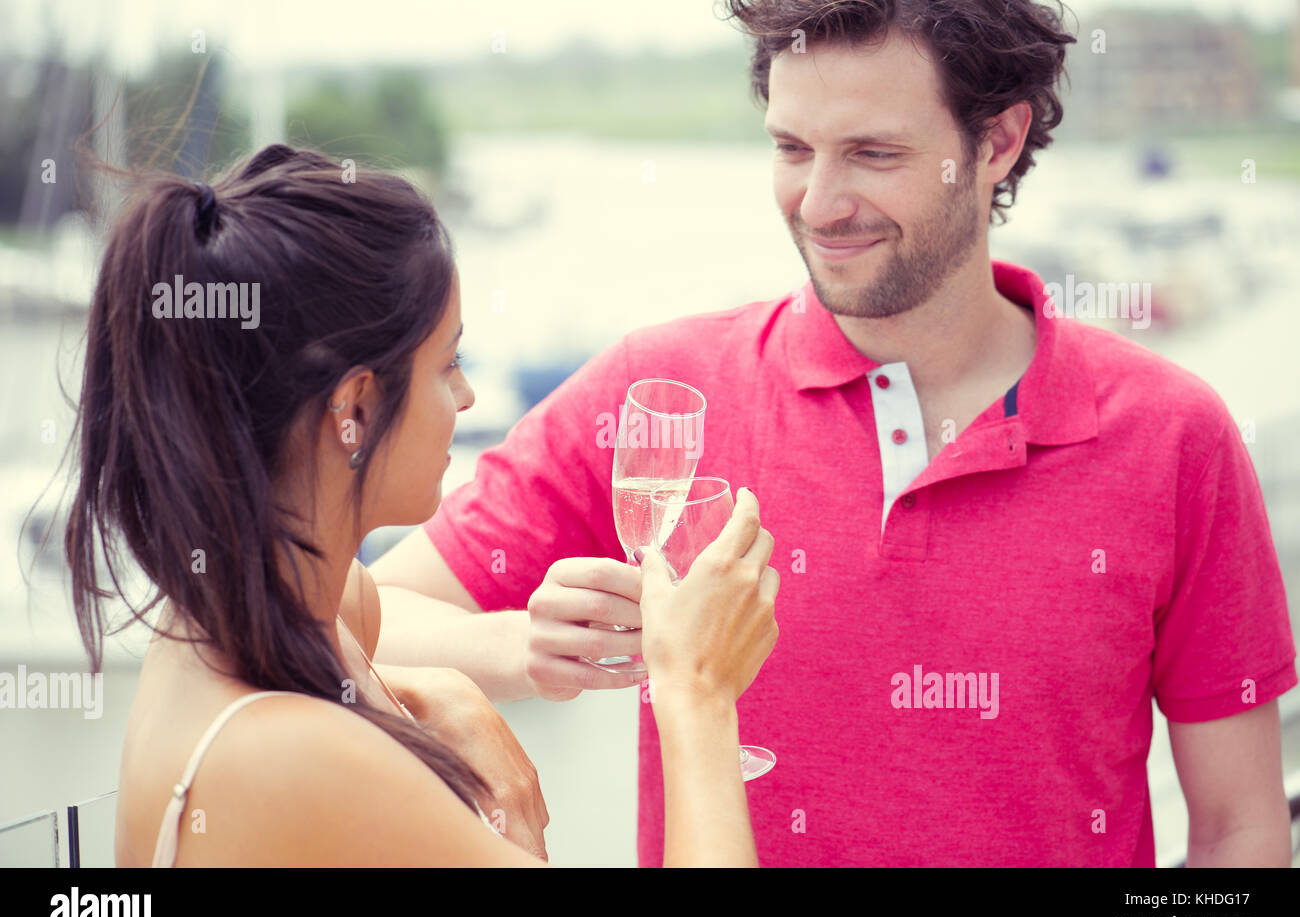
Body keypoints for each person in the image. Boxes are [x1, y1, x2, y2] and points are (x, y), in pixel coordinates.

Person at [369, 0, 1297, 867]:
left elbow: (1241, 828)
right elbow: (346, 619)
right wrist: (507, 658)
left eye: (871, 153)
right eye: (791, 147)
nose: (817, 203)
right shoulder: (657, 391)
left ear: (998, 140)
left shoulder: (1176, 438)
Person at [66, 143, 780, 866]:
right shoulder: (299, 758)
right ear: (356, 409)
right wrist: (699, 692)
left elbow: (363, 652)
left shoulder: (252, 608)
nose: (467, 396)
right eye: (448, 364)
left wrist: (443, 690)